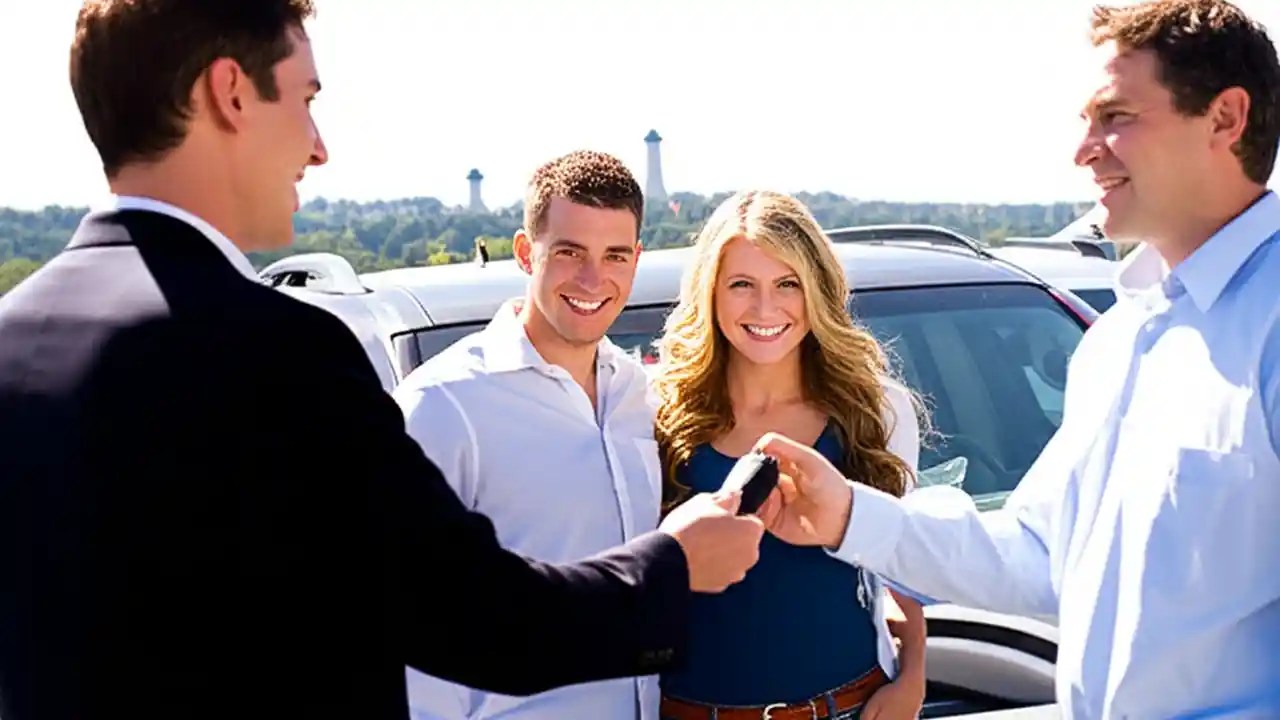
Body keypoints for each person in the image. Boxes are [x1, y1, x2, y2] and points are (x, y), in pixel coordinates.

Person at [0, 4, 769, 720]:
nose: (318, 147)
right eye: (305, 99)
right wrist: (671, 567)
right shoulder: (282, 353)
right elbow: (469, 614)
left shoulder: (14, 336)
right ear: (230, 93)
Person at [750, 2, 1280, 717]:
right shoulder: (1121, 339)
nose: (1084, 150)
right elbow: (1040, 553)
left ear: (1225, 118)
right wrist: (847, 514)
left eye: (1115, 116)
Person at [393, 150, 679, 719]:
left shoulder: (641, 396)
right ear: (526, 253)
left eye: (615, 255)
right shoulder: (443, 405)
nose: (593, 279)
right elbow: (406, 627)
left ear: (636, 259)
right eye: (570, 252)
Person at [651, 190, 928, 720]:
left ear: (817, 289)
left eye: (787, 284)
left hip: (850, 707)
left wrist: (913, 676)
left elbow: (900, 563)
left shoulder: (874, 411)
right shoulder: (655, 416)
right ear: (710, 292)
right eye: (741, 285)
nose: (765, 309)